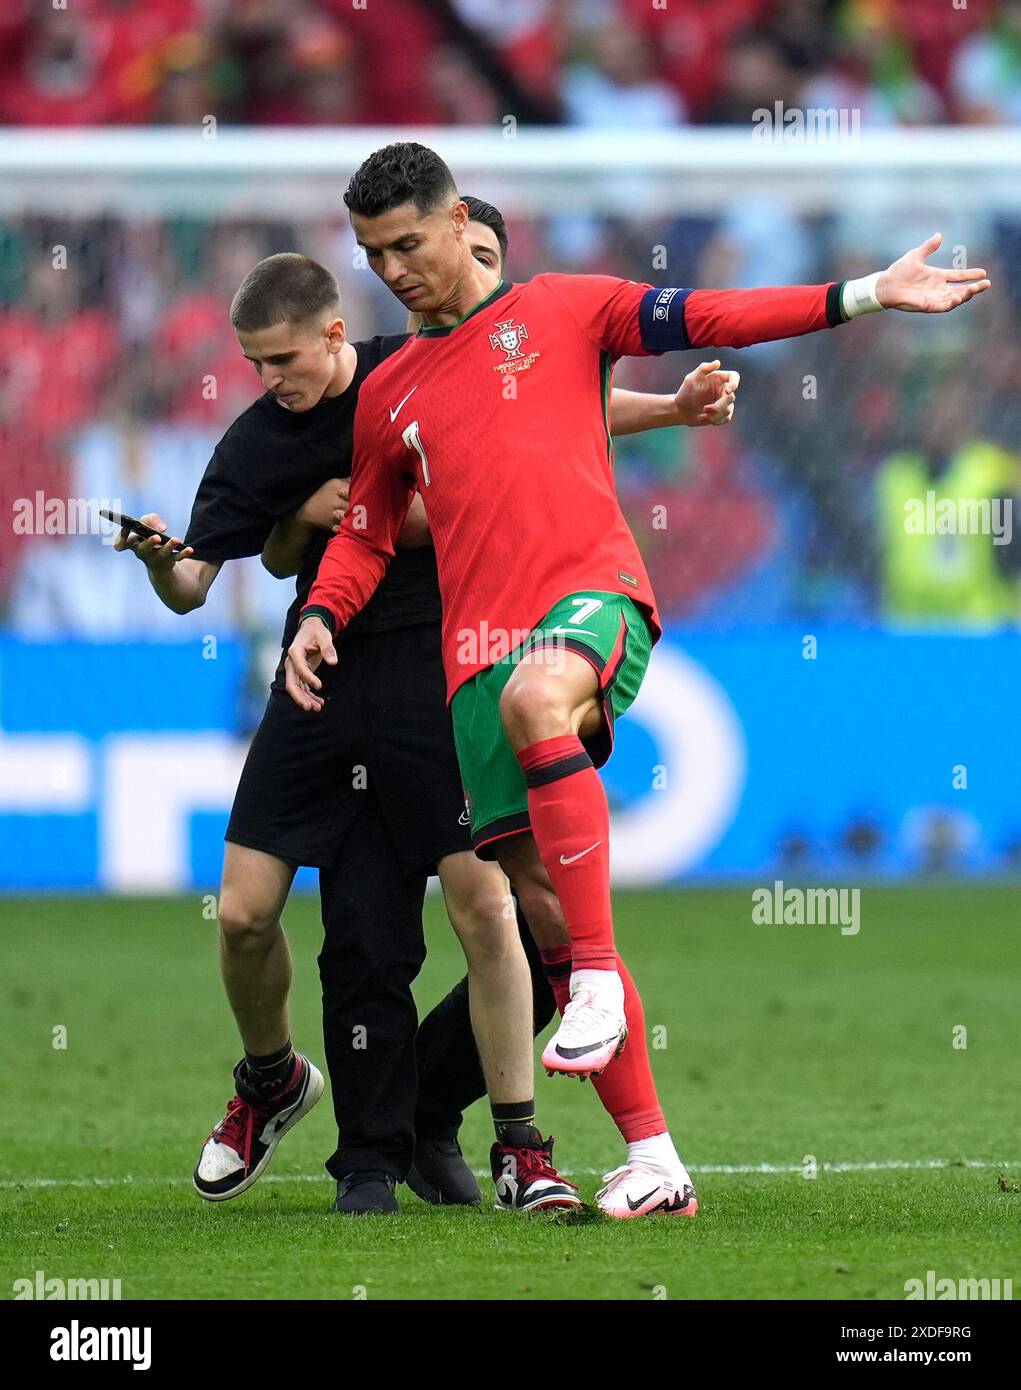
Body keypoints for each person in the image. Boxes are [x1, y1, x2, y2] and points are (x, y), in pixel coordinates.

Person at [286, 141, 989, 1217]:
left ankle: (604, 978)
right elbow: (369, 533)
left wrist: (862, 295)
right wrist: (323, 615)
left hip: (587, 601)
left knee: (544, 741)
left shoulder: (567, 309)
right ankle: (655, 1158)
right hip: (471, 665)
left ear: (456, 216)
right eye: (375, 253)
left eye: (409, 243)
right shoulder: (390, 392)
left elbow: (709, 316)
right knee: (539, 911)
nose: (394, 269)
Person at [116, 206, 737, 1216]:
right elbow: (199, 576)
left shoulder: (421, 364)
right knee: (264, 916)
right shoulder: (262, 439)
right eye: (251, 361)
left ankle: (519, 1141)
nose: (269, 378)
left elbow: (542, 414)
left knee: (492, 903)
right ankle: (280, 1085)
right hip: (326, 670)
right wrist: (181, 554)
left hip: (459, 652)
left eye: (281, 357)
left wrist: (669, 409)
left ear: (333, 333)